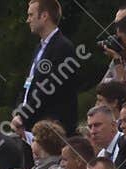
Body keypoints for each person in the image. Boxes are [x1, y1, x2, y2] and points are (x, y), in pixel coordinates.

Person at [13, 0, 83, 134]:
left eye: (31, 15)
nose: (28, 20)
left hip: (53, 129)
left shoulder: (63, 47)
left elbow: (48, 88)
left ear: (44, 16)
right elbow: (29, 84)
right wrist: (18, 112)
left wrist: (23, 116)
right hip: (31, 126)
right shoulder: (39, 48)